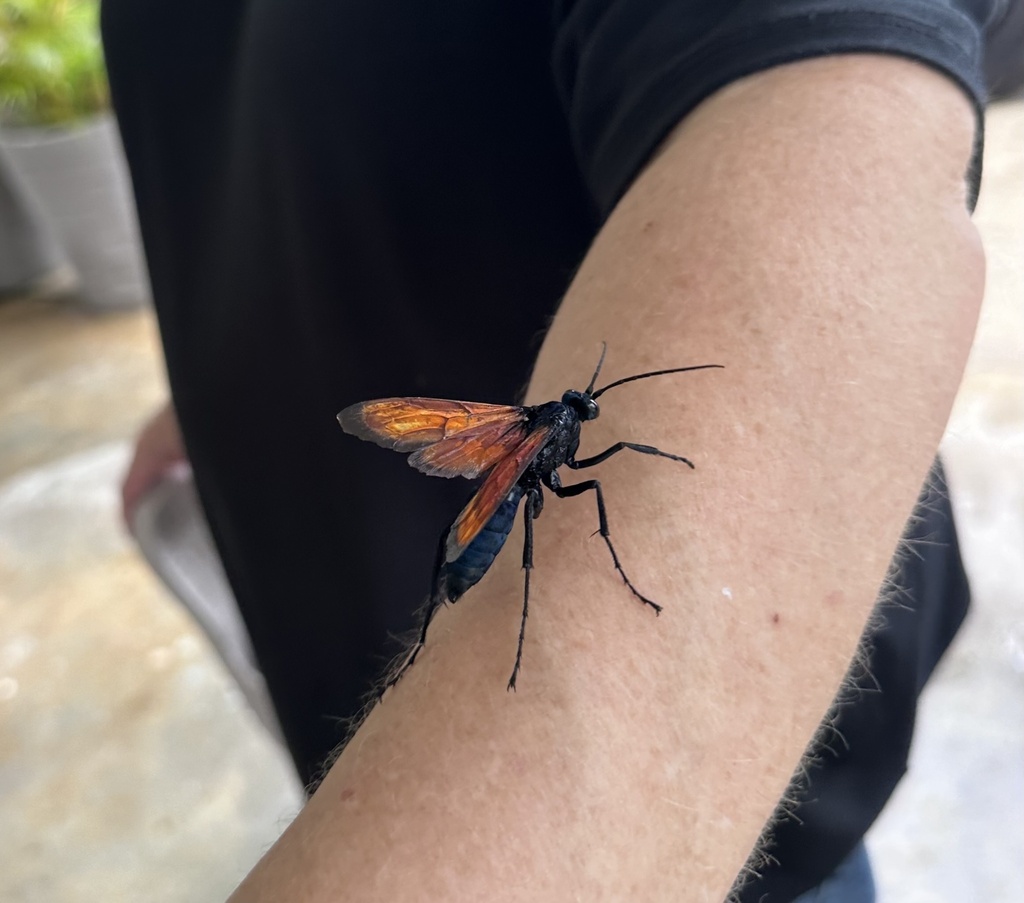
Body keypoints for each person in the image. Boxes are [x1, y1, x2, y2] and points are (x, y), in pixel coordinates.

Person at [103, 2, 997, 899]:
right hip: (345, 659)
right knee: (527, 523)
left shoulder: (533, 428)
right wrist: (215, 385)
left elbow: (835, 109)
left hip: (718, 844)